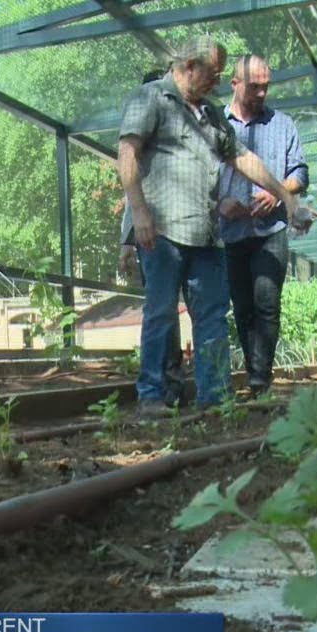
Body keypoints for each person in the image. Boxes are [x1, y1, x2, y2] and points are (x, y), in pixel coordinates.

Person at [117, 36, 315, 415]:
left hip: (206, 236)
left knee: (212, 316)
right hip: (162, 233)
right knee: (160, 312)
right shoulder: (151, 98)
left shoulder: (210, 113)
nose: (218, 81)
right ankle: (151, 395)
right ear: (190, 66)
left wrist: (286, 198)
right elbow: (127, 154)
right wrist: (138, 213)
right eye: (213, 72)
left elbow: (243, 157)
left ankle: (216, 398)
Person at [217, 54, 310, 399]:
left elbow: (300, 172)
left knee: (267, 300)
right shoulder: (217, 125)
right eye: (254, 86)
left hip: (271, 231)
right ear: (235, 84)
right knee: (242, 306)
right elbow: (200, 175)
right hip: (230, 232)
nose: (261, 93)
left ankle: (260, 377)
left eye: (266, 86)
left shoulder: (282, 124)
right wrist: (220, 203)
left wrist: (279, 193)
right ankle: (255, 370)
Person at [120, 68, 189, 408]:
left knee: (181, 309)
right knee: (161, 310)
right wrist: (127, 241)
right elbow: (131, 195)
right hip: (152, 236)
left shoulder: (176, 133)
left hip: (188, 232)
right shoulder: (138, 146)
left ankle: (174, 381)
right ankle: (159, 384)